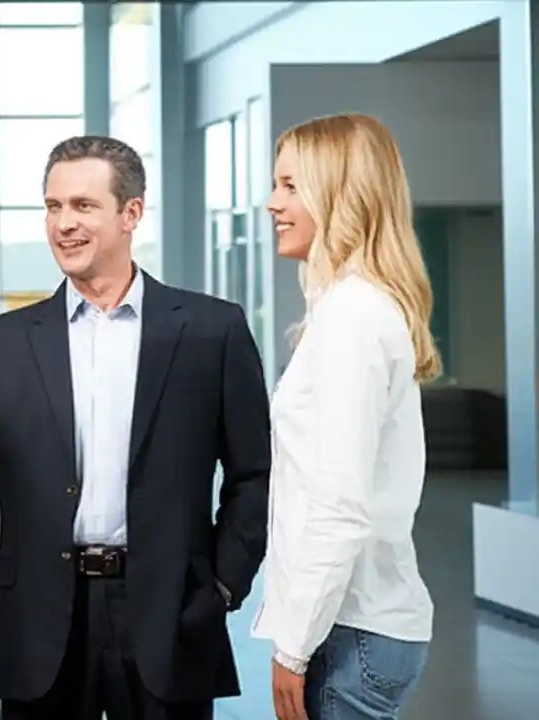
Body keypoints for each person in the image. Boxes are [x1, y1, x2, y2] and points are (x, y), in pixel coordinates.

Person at [0, 135, 271, 720]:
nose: (63, 224)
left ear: (131, 214)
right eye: (53, 207)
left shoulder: (211, 330)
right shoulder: (5, 340)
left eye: (83, 206)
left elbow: (254, 472)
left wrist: (224, 586)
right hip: (42, 617)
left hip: (170, 614)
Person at [255, 113, 439, 720]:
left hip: (348, 633)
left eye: (289, 186)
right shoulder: (353, 308)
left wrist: (294, 646)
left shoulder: (353, 318)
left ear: (340, 194)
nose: (271, 203)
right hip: (362, 625)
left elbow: (337, 507)